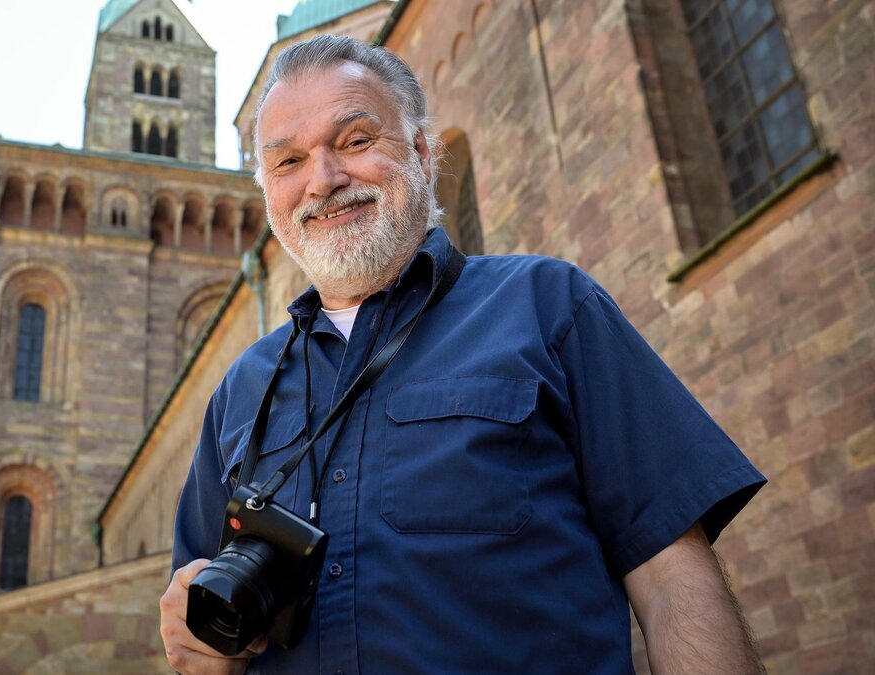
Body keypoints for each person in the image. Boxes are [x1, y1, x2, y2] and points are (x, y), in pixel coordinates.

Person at [159, 34, 767, 674]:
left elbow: (674, 582)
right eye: (287, 163)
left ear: (421, 149)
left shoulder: (548, 305)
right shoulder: (239, 389)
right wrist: (193, 638)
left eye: (356, 141)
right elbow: (197, 618)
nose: (323, 181)